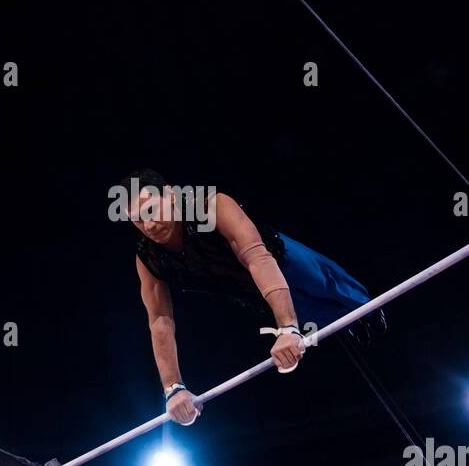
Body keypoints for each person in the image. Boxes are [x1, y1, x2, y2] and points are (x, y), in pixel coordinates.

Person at [122, 169, 380, 426]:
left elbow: (257, 257)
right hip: (253, 294)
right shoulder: (148, 258)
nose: (149, 225)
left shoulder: (212, 206)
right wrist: (173, 389)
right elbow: (160, 321)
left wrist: (288, 328)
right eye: (137, 220)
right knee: (326, 318)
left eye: (152, 210)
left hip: (280, 261)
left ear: (170, 195)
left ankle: (367, 309)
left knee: (337, 290)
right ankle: (351, 322)